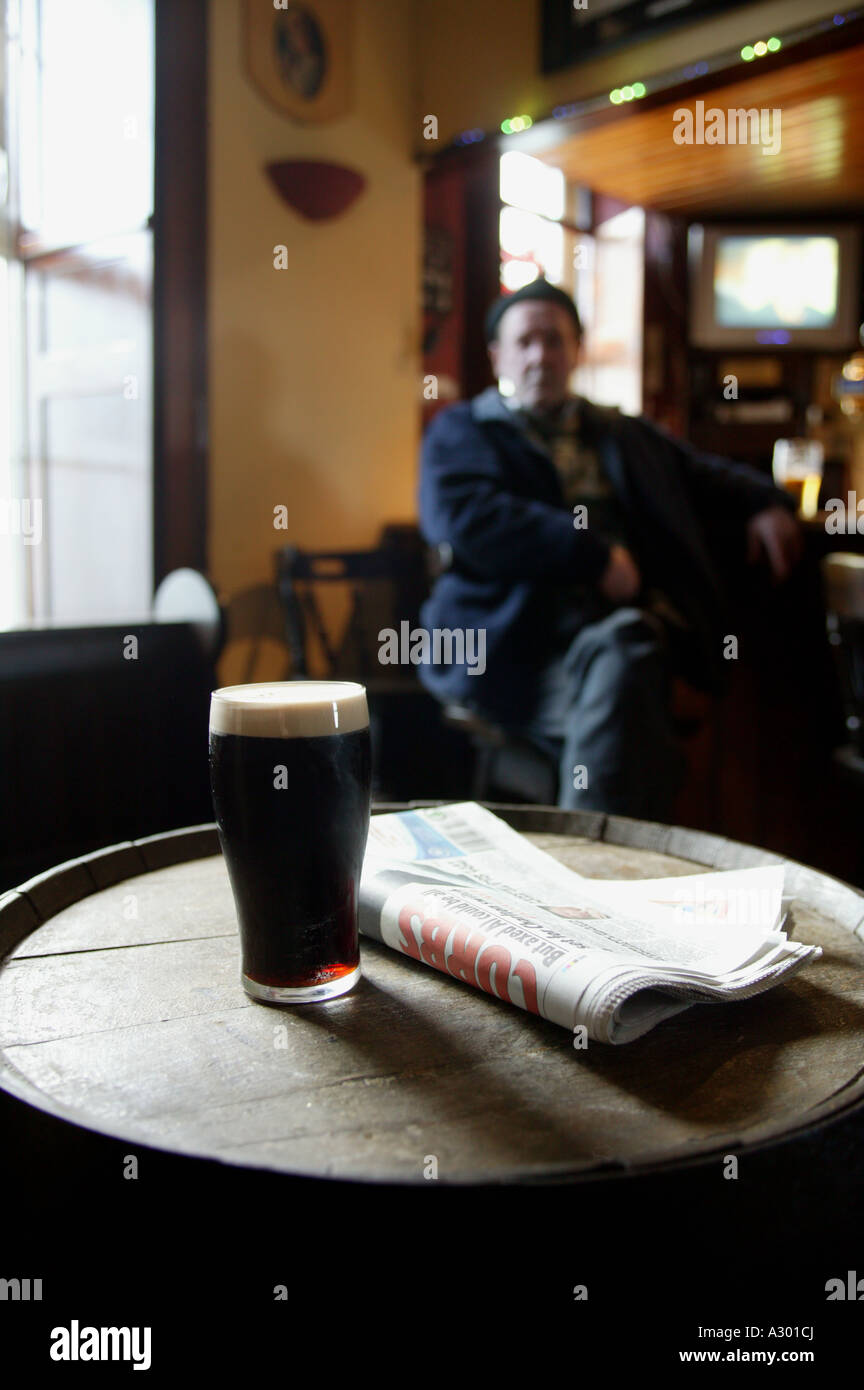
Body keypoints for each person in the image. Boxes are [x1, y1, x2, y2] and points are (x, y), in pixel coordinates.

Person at [417, 277, 803, 819]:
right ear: (497, 355)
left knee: (628, 662)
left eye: (555, 340)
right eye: (525, 341)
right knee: (634, 684)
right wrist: (596, 558)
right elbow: (469, 519)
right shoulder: (463, 431)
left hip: (622, 636)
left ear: (577, 349)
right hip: (511, 650)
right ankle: (610, 849)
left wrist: (767, 501)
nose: (540, 355)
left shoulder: (621, 433)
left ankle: (589, 852)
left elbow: (705, 475)